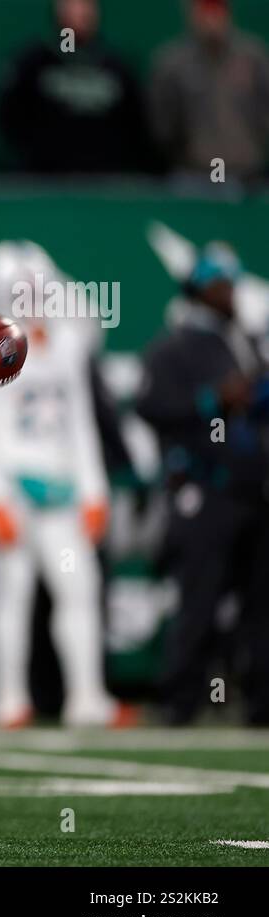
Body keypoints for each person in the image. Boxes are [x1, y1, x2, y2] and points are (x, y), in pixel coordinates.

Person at [0, 241, 133, 729]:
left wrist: (93, 491)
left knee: (80, 588)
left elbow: (80, 425)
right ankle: (11, 700)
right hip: (15, 488)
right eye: (21, 289)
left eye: (39, 288)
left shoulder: (69, 343)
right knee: (11, 596)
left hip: (60, 491)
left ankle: (87, 697)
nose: (32, 297)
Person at [136, 244, 269, 726]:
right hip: (204, 489)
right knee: (200, 599)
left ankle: (260, 703)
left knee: (259, 605)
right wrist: (212, 400)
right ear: (200, 291)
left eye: (232, 284)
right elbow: (151, 408)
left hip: (252, 489)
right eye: (221, 285)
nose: (230, 293)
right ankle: (180, 700)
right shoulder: (174, 347)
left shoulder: (243, 341)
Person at [0, 0, 154, 174]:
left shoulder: (116, 66)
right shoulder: (35, 63)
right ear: (58, 10)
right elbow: (10, 116)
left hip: (105, 177)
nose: (80, 12)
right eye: (72, 5)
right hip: (47, 177)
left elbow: (135, 123)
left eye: (85, 5)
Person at [149, 0, 269, 182]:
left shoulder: (253, 57)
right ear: (192, 15)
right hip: (193, 175)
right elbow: (163, 125)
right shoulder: (172, 63)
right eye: (204, 11)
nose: (211, 19)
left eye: (216, 11)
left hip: (248, 175)